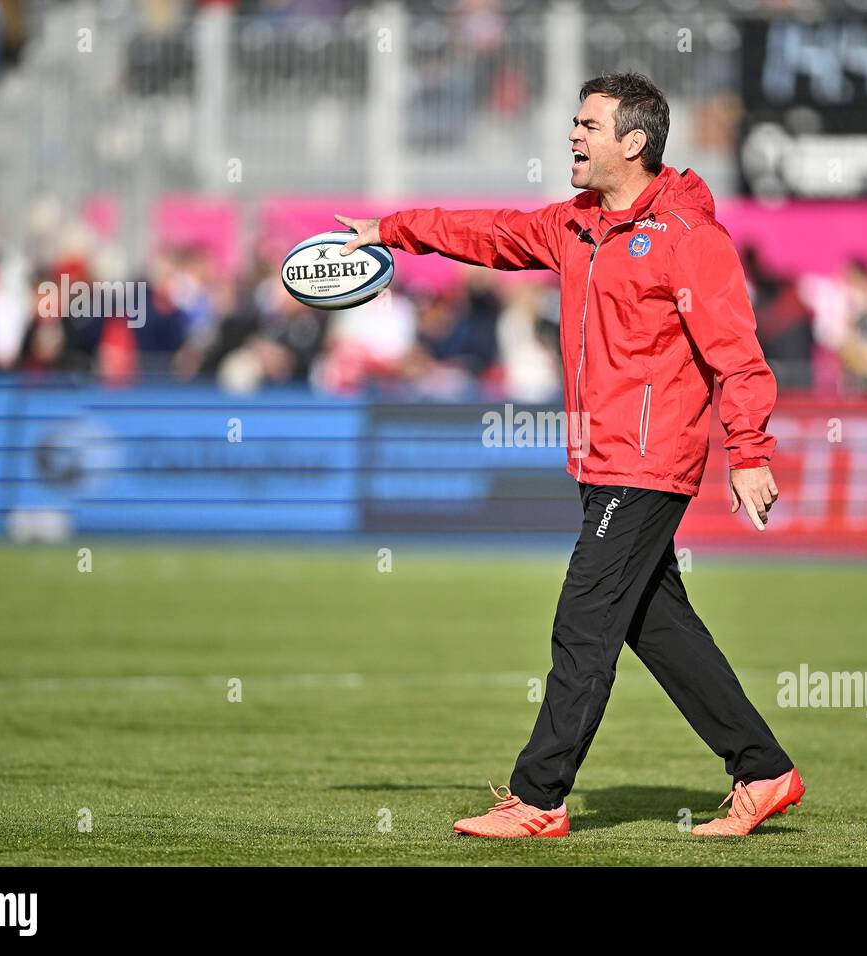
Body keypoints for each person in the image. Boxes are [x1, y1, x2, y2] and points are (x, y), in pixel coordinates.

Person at [336, 72, 802, 838]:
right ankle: (763, 770)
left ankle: (539, 798)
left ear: (635, 142)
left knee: (582, 623)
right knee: (659, 629)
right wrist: (393, 229)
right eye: (574, 124)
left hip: (648, 466)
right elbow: (487, 233)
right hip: (601, 462)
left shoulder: (690, 239)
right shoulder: (575, 223)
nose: (574, 136)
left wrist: (748, 450)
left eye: (589, 125)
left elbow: (740, 358)